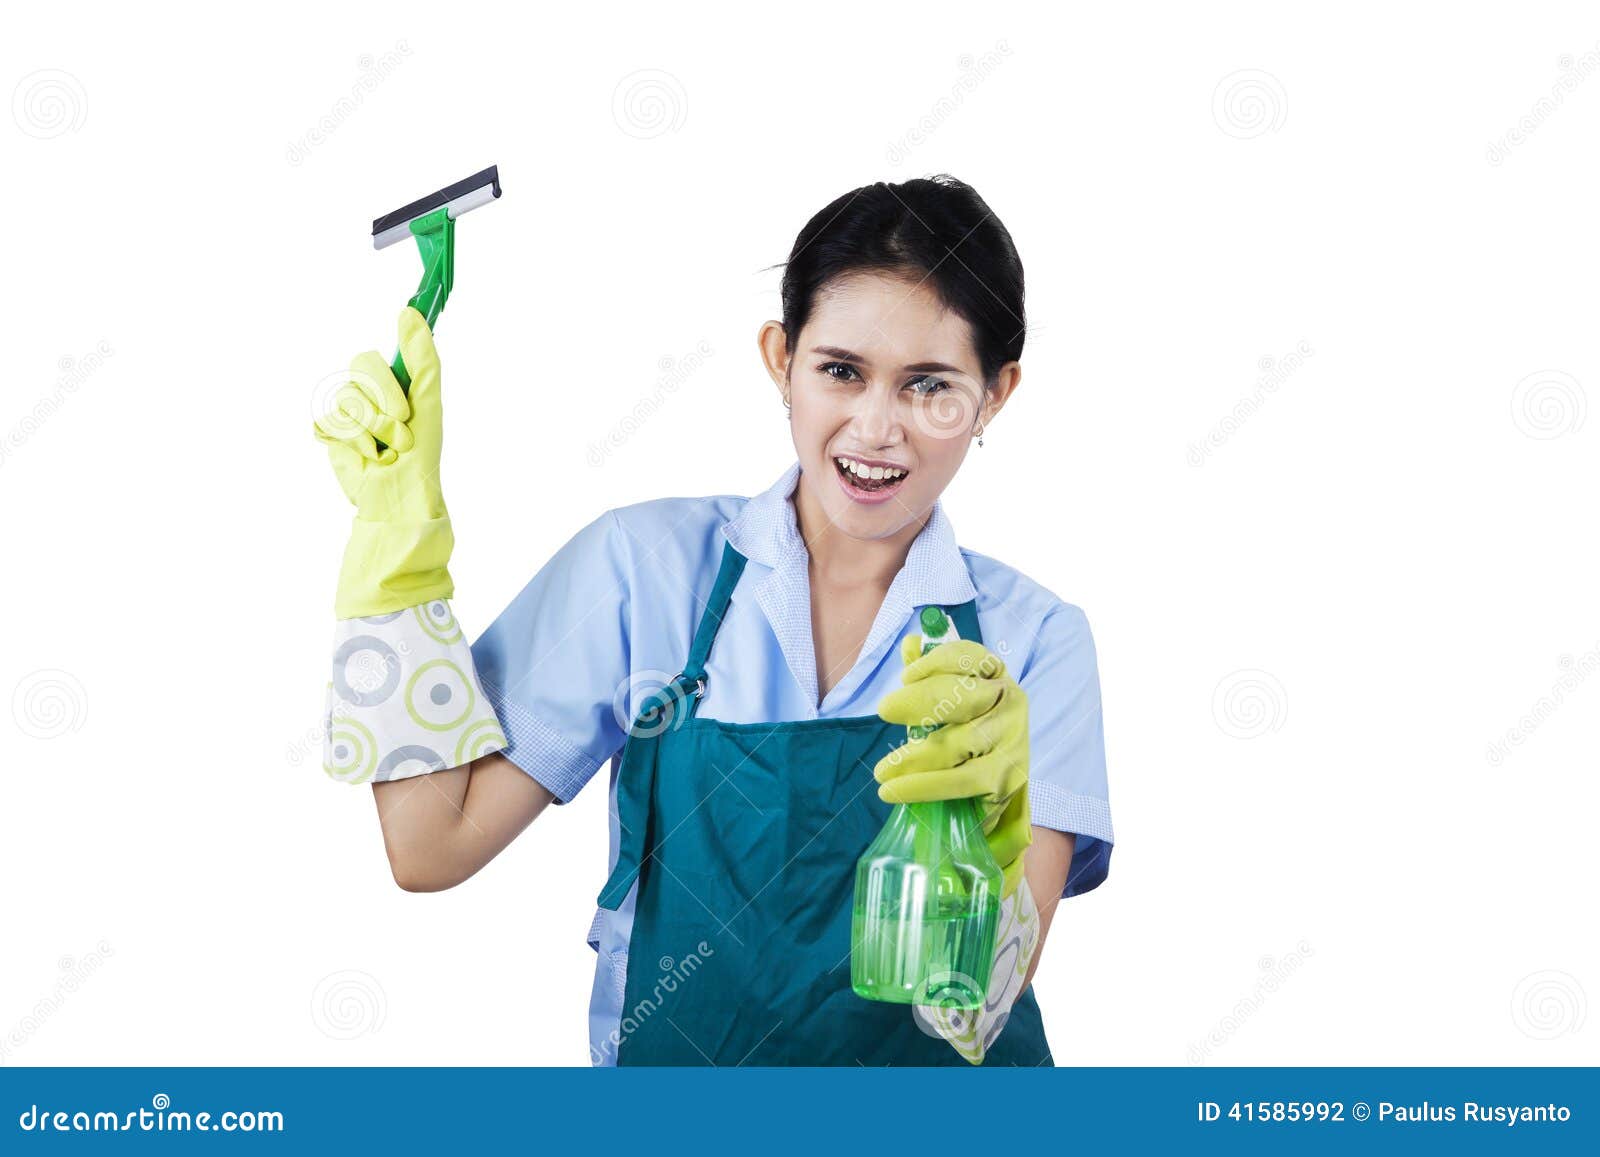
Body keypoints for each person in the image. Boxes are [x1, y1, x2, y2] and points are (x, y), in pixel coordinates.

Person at [315, 174, 1113, 1066]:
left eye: (930, 387)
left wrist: (993, 845)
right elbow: (430, 847)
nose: (877, 426)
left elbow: (979, 1011)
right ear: (781, 358)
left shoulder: (1032, 644)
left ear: (995, 394)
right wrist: (396, 569)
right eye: (840, 371)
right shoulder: (645, 574)